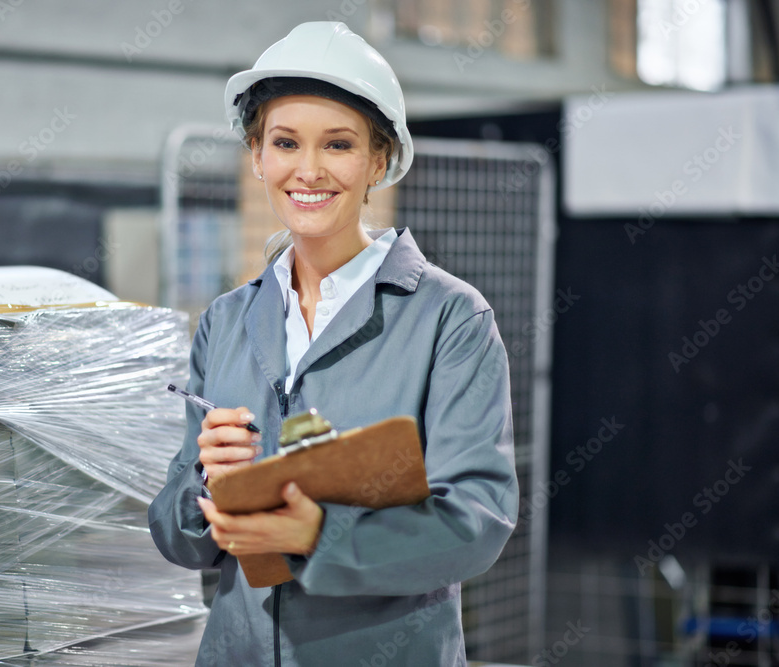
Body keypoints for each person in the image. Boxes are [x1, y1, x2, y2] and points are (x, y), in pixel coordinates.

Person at [148, 21, 518, 666]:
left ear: (379, 161)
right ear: (257, 156)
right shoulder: (226, 321)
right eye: (285, 142)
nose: (309, 170)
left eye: (338, 145)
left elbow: (476, 526)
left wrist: (322, 535)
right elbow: (179, 539)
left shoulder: (450, 319)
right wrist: (205, 478)